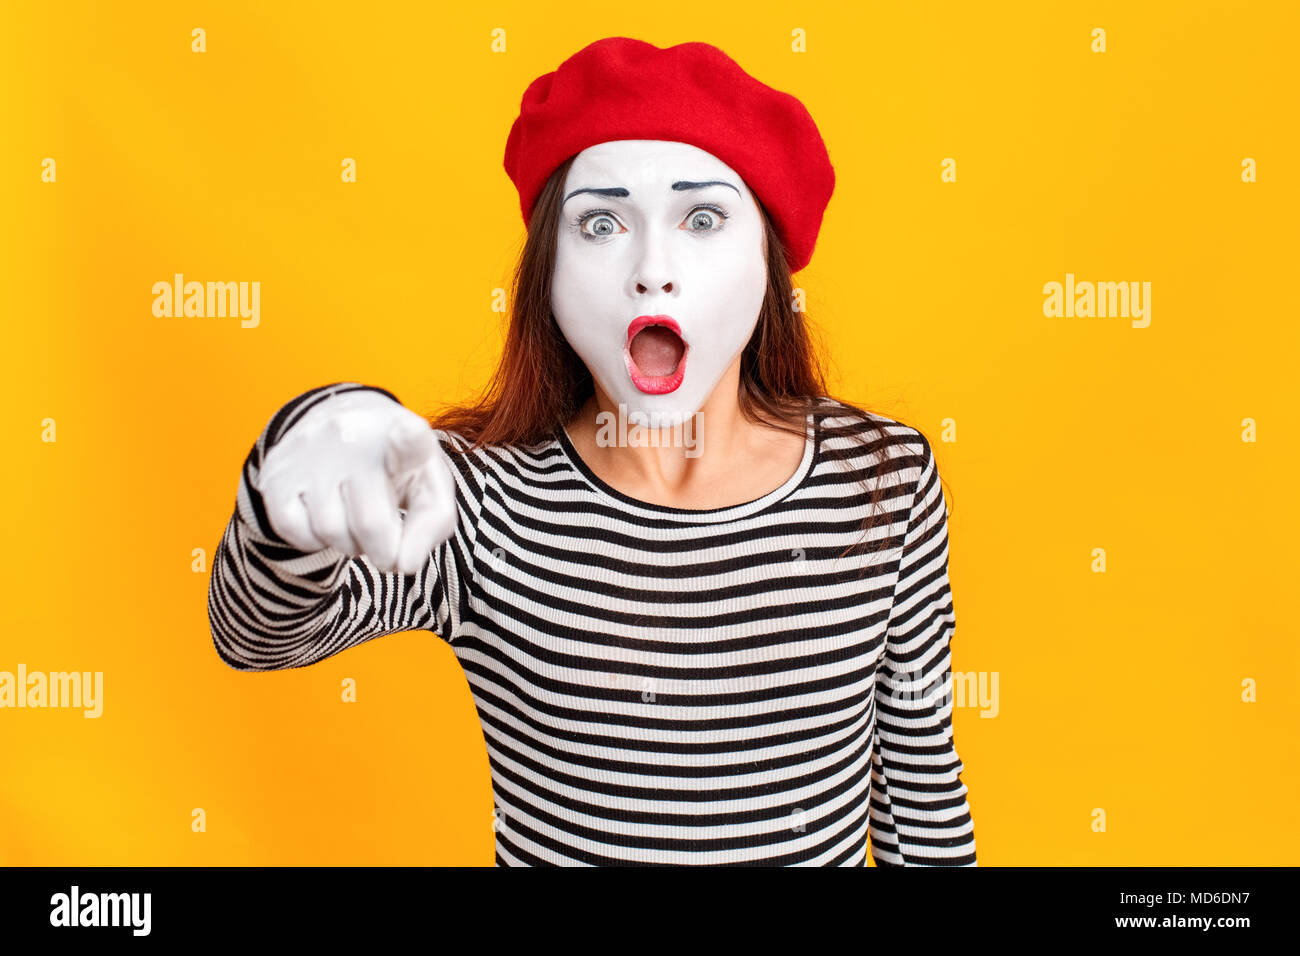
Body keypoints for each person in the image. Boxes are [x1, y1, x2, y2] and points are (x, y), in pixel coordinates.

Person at [207, 36, 977, 867]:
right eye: (601, 223)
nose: (652, 270)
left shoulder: (884, 484)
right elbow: (257, 638)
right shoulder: (476, 501)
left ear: (768, 262)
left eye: (704, 217)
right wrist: (288, 485)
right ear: (548, 271)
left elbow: (920, 785)